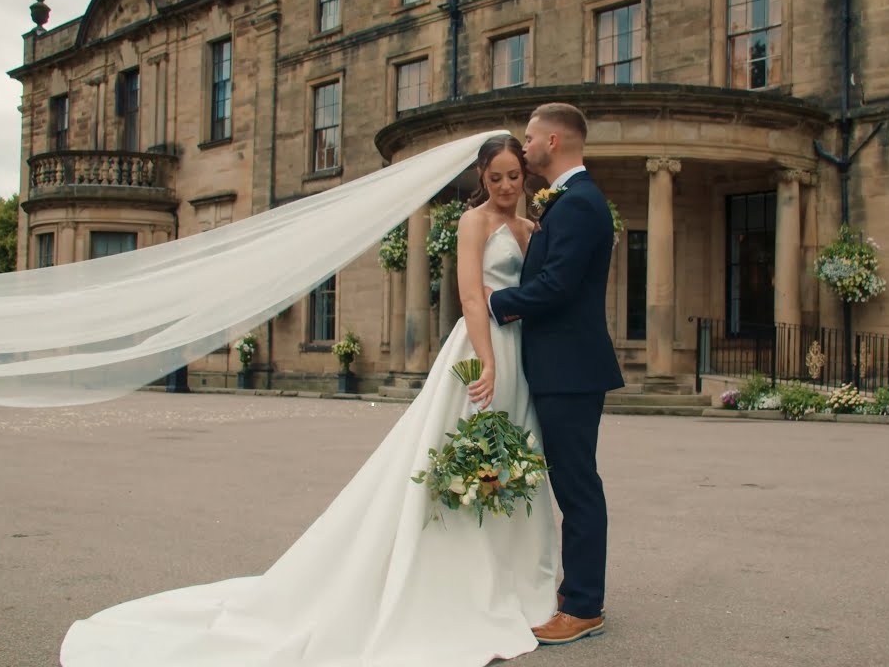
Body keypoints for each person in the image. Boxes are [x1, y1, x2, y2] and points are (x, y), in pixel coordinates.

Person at [59, 135, 560, 667]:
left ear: (524, 176)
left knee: (512, 461)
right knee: (465, 457)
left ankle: (508, 574)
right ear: (482, 177)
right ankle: (457, 578)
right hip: (481, 349)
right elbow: (470, 297)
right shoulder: (472, 223)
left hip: (520, 351)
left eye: (513, 176)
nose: (505, 186)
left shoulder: (530, 228)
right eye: (495, 177)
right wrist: (487, 362)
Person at [488, 103, 624, 645]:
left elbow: (557, 287)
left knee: (577, 486)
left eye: (529, 138)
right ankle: (574, 593)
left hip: (570, 371)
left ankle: (584, 605)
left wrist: (495, 303)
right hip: (559, 368)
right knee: (571, 483)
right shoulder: (567, 201)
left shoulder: (581, 203)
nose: (523, 147)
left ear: (553, 141)